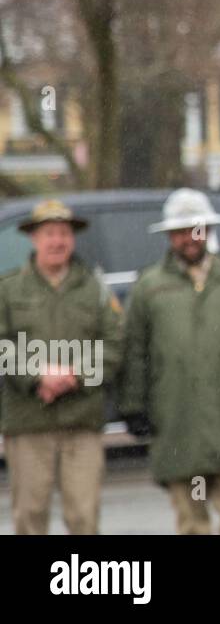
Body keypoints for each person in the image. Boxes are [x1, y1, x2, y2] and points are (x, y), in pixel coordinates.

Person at [118, 188, 220, 535]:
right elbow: (135, 352)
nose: (189, 238)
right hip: (179, 431)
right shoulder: (149, 288)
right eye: (180, 232)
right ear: (169, 236)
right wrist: (133, 407)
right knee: (192, 523)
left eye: (195, 229)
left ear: (208, 231)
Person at [0, 199, 123, 535]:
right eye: (49, 233)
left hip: (81, 421)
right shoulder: (8, 290)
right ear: (34, 238)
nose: (57, 241)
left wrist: (74, 376)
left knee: (84, 518)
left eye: (64, 233)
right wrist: (38, 375)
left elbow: (114, 344)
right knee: (29, 517)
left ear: (73, 238)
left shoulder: (95, 290)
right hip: (28, 421)